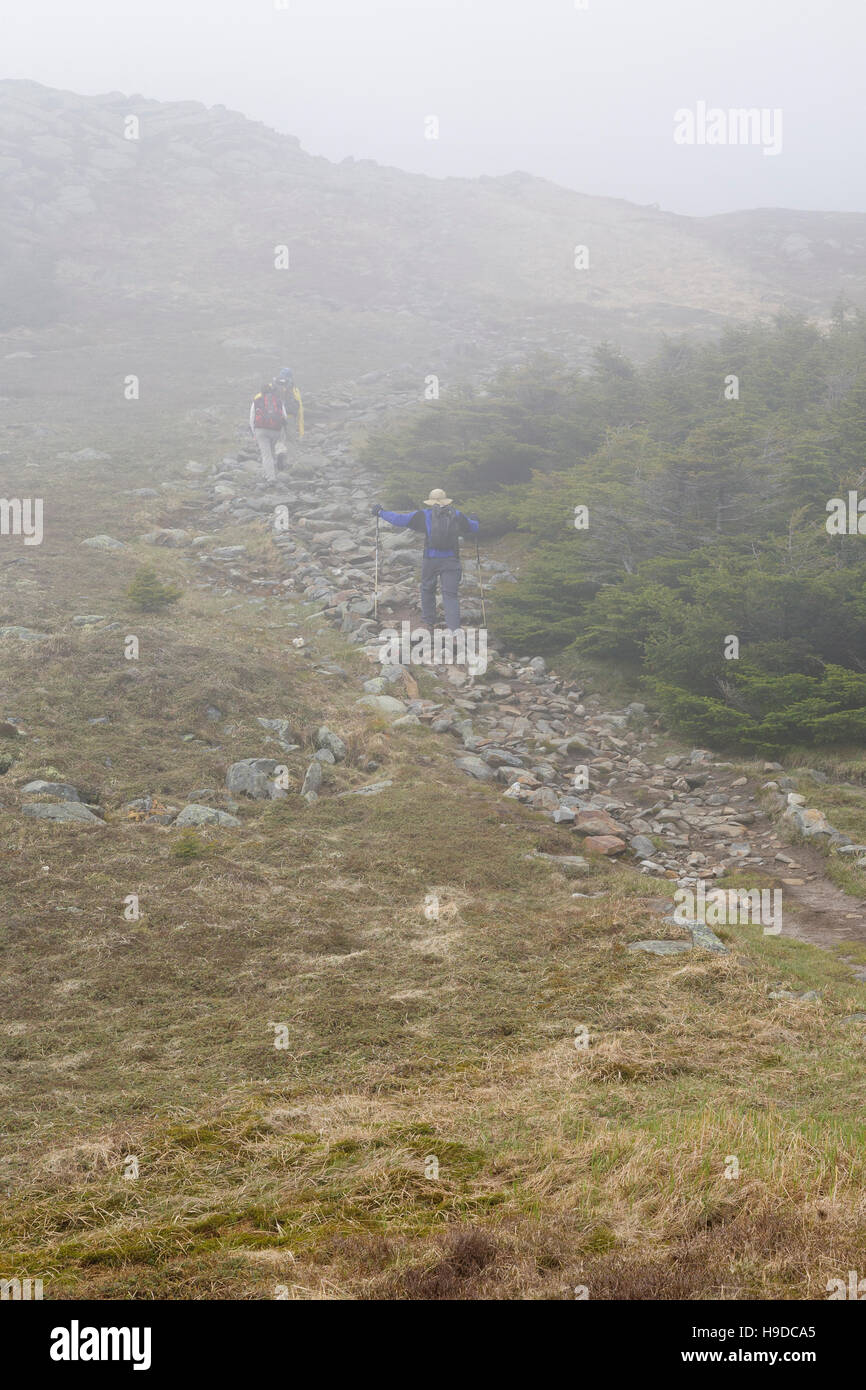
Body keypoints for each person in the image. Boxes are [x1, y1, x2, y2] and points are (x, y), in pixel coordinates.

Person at [371, 488, 479, 631]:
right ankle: (454, 629)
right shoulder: (457, 515)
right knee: (450, 595)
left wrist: (380, 512)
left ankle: (428, 622)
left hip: (431, 560)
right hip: (452, 560)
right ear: (446, 501)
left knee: (427, 589)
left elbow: (399, 520)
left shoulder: (423, 515)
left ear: (431, 502)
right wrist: (475, 520)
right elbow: (474, 527)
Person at [249, 381, 287, 483]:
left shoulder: (257, 401)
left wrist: (254, 433)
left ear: (261, 392)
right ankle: (269, 473)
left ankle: (270, 478)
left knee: (266, 455)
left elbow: (252, 418)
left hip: (261, 430)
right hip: (275, 430)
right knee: (272, 452)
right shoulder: (278, 401)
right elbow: (285, 416)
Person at [274, 367, 304, 471]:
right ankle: (291, 462)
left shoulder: (274, 386)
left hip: (277, 416)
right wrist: (301, 427)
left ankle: (280, 453)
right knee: (291, 440)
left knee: (279, 438)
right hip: (290, 417)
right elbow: (299, 406)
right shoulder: (293, 388)